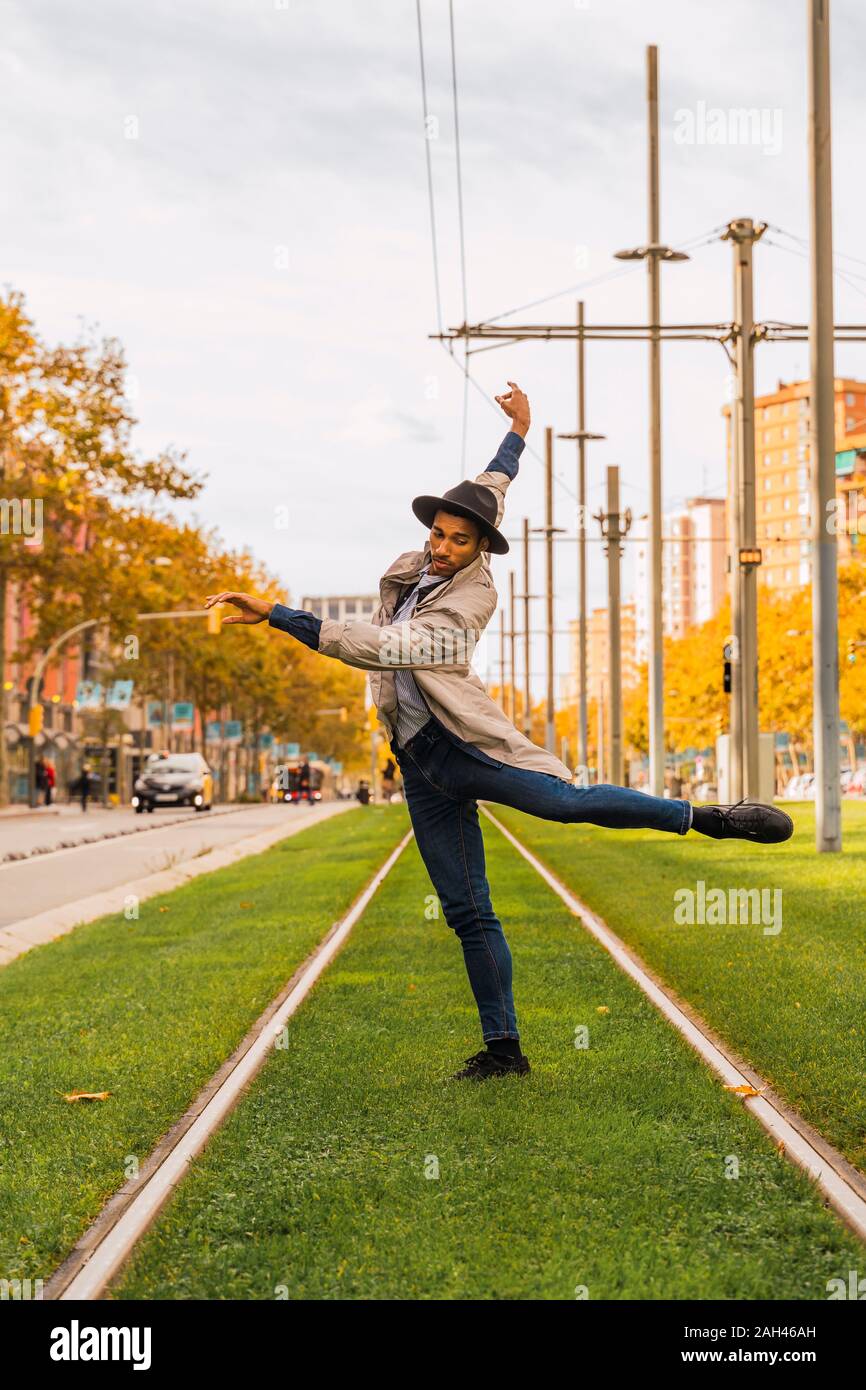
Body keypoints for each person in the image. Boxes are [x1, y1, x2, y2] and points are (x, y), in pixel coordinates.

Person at [203, 380, 792, 1083]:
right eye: (438, 534)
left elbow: (382, 647)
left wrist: (279, 614)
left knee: (565, 804)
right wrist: (519, 430)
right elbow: (492, 485)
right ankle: (504, 1051)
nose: (443, 547)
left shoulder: (471, 598)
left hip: (467, 750)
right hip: (419, 766)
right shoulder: (419, 564)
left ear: (480, 548)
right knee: (466, 909)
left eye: (458, 539)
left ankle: (707, 819)